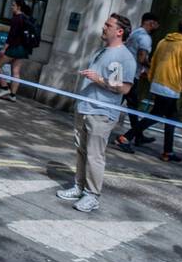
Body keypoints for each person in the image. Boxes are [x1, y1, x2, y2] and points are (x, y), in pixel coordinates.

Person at [56, 12, 135, 214]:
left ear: (119, 31)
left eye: (108, 25)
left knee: (94, 155)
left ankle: (93, 196)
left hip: (101, 112)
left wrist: (98, 79)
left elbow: (123, 88)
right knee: (82, 151)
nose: (103, 27)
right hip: (85, 108)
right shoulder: (102, 51)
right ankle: (79, 187)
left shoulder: (122, 56)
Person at [127, 19, 182, 163]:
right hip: (171, 87)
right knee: (156, 115)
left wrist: (151, 77)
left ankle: (168, 151)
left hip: (158, 83)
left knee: (171, 117)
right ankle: (126, 137)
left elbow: (155, 60)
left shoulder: (163, 42)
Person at [114, 11, 158, 151]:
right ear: (151, 23)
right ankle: (128, 137)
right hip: (131, 75)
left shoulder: (135, 33)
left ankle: (137, 135)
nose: (157, 27)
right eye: (156, 24)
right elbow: (141, 58)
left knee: (131, 105)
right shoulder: (145, 38)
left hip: (126, 72)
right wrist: (154, 68)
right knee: (127, 104)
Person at [0, 0, 34, 100]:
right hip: (23, 49)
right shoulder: (25, 18)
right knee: (15, 72)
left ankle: (4, 87)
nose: (11, 7)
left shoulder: (16, 18)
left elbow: (11, 35)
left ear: (18, 7)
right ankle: (13, 95)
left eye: (13, 5)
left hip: (14, 48)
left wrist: (4, 49)